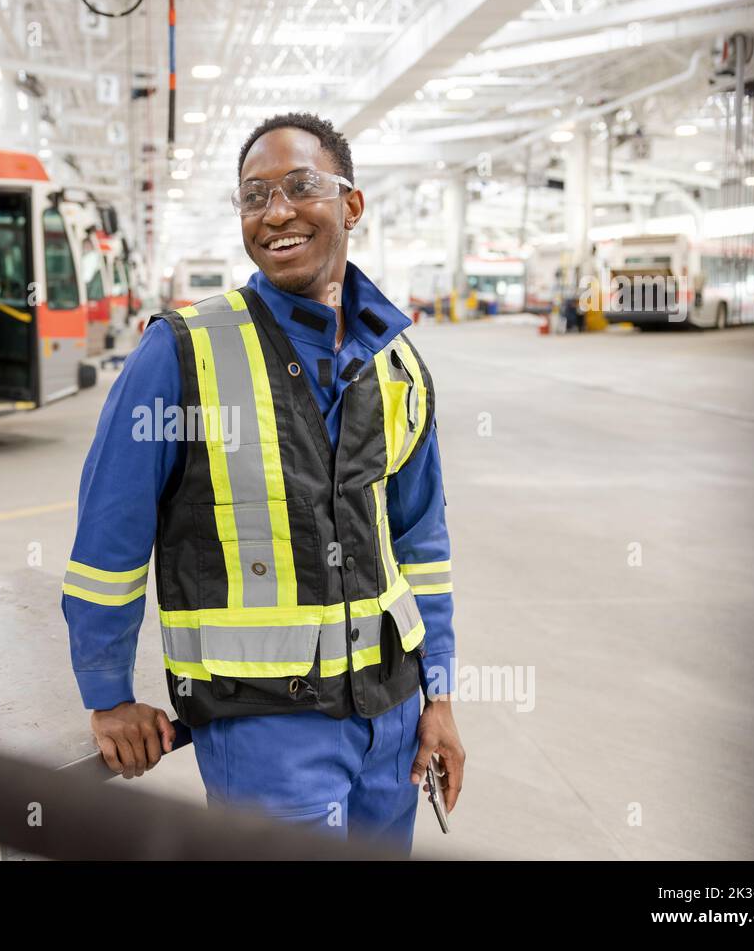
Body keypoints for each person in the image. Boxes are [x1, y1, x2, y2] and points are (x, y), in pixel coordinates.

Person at [61, 112, 464, 850]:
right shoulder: (180, 352)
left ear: (350, 204)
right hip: (264, 728)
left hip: (394, 717)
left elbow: (422, 545)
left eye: (299, 187)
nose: (275, 212)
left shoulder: (398, 365)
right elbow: (108, 536)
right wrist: (108, 694)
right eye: (253, 196)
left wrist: (437, 696)